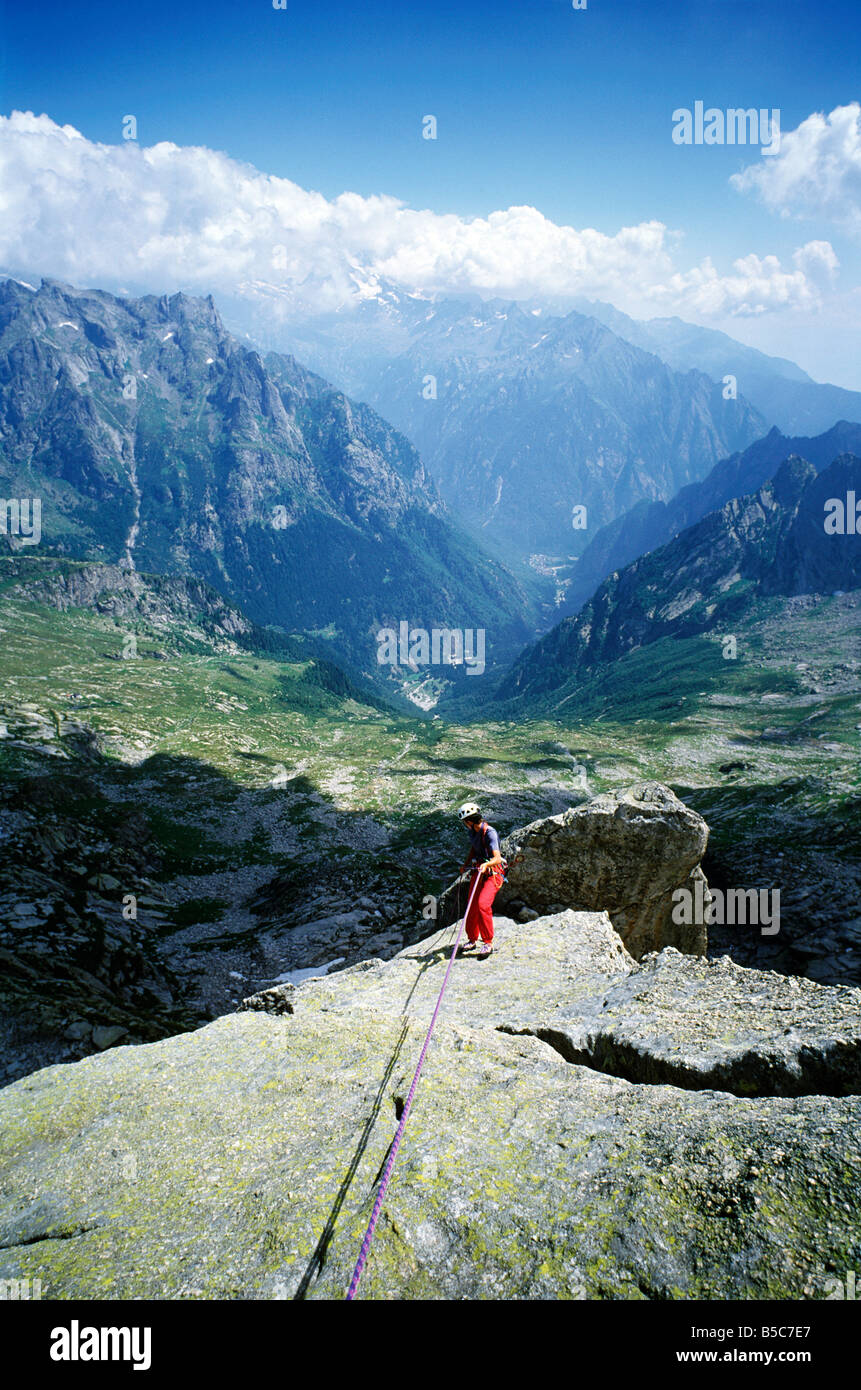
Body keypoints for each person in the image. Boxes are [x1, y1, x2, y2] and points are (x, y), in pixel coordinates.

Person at [456, 802, 506, 958]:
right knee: (471, 905)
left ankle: (488, 942)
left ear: (468, 821)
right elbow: (474, 848)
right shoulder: (473, 832)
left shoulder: (490, 833)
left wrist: (486, 864)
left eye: (465, 822)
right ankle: (472, 939)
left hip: (492, 872)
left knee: (482, 904)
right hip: (479, 870)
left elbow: (497, 858)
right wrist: (465, 864)